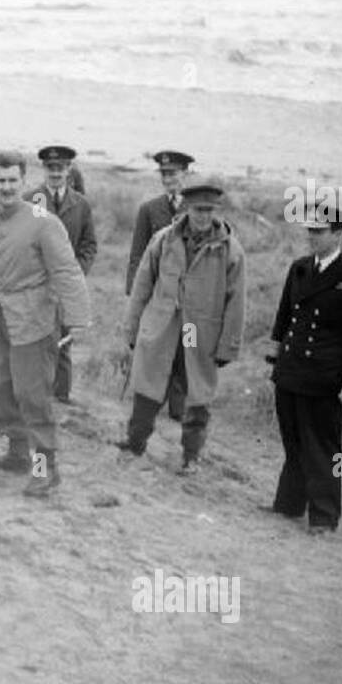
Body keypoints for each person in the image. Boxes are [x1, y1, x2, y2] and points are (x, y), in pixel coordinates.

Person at [0, 150, 91, 497]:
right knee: (5, 390)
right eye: (1, 181)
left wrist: (78, 319)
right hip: (0, 321)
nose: (7, 187)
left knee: (33, 396)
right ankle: (16, 454)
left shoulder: (44, 221)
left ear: (24, 182)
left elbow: (67, 270)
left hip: (36, 321)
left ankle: (45, 470)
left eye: (13, 181)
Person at [266, 200, 342, 532]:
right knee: (293, 443)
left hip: (324, 378)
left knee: (322, 448)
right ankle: (288, 505)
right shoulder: (299, 268)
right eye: (309, 230)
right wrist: (274, 360)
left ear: (338, 234)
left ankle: (324, 516)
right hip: (291, 371)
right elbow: (283, 317)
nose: (311, 236)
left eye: (318, 231)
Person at [120, 184, 245, 474]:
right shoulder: (163, 240)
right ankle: (135, 442)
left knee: (197, 397)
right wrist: (132, 329)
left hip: (198, 335)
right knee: (147, 388)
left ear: (215, 211)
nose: (203, 216)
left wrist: (229, 345)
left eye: (208, 210)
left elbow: (236, 301)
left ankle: (191, 456)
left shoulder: (230, 250)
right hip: (162, 327)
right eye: (198, 210)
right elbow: (142, 286)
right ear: (186, 209)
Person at [26, 144, 97, 404]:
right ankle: (35, 392)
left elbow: (89, 245)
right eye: (50, 168)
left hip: (67, 287)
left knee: (64, 341)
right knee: (35, 338)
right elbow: (20, 241)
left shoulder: (81, 205)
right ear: (43, 169)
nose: (55, 173)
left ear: (69, 170)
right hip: (37, 284)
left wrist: (76, 273)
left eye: (60, 168)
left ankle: (61, 396)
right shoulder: (30, 200)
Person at [126, 150, 195, 419]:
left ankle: (179, 411)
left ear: (186, 174)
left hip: (190, 306)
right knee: (154, 348)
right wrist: (134, 297)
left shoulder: (197, 209)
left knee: (186, 352)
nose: (169, 179)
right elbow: (137, 256)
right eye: (164, 174)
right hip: (159, 300)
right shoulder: (150, 209)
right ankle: (149, 407)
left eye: (174, 173)